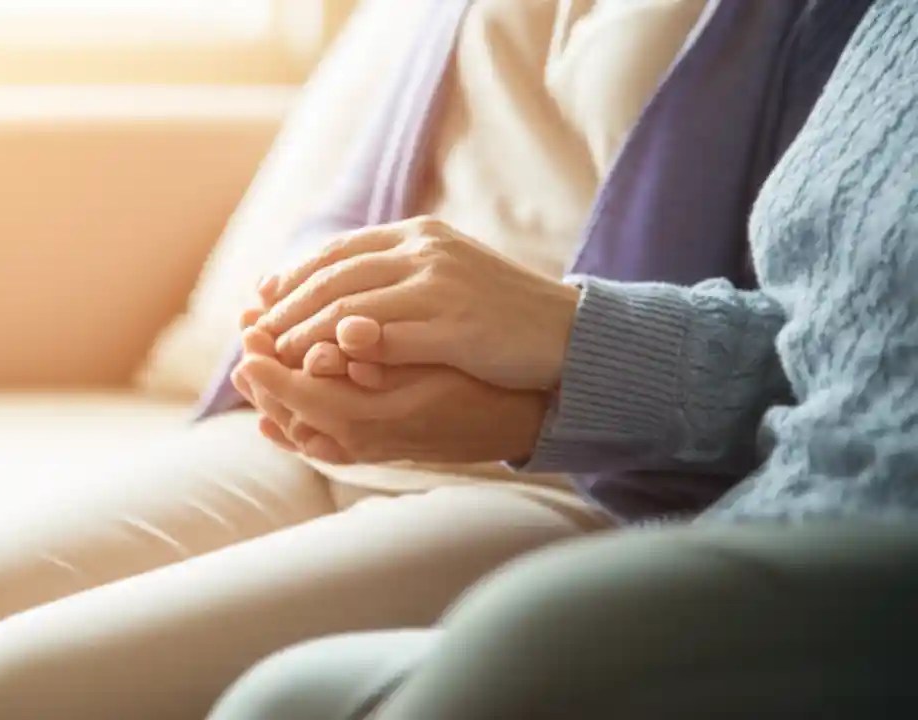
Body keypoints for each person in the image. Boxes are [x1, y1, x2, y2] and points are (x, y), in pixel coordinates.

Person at [211, 0, 918, 717]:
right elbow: (840, 338)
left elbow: (827, 367)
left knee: (103, 667)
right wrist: (311, 332)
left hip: (573, 467)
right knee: (276, 698)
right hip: (363, 425)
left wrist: (558, 366)